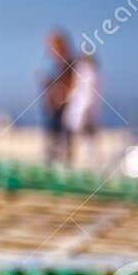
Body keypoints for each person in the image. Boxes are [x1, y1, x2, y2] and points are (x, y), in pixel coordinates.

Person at [40, 30, 75, 166]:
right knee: (53, 151)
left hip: (64, 116)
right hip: (54, 116)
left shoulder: (69, 65)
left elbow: (71, 88)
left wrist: (59, 94)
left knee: (62, 153)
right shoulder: (57, 66)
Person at [64, 52, 103, 170]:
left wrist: (83, 114)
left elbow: (87, 96)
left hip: (83, 114)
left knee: (84, 142)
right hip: (83, 113)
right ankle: (81, 164)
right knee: (83, 142)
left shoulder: (87, 74)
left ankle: (82, 165)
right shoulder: (89, 74)